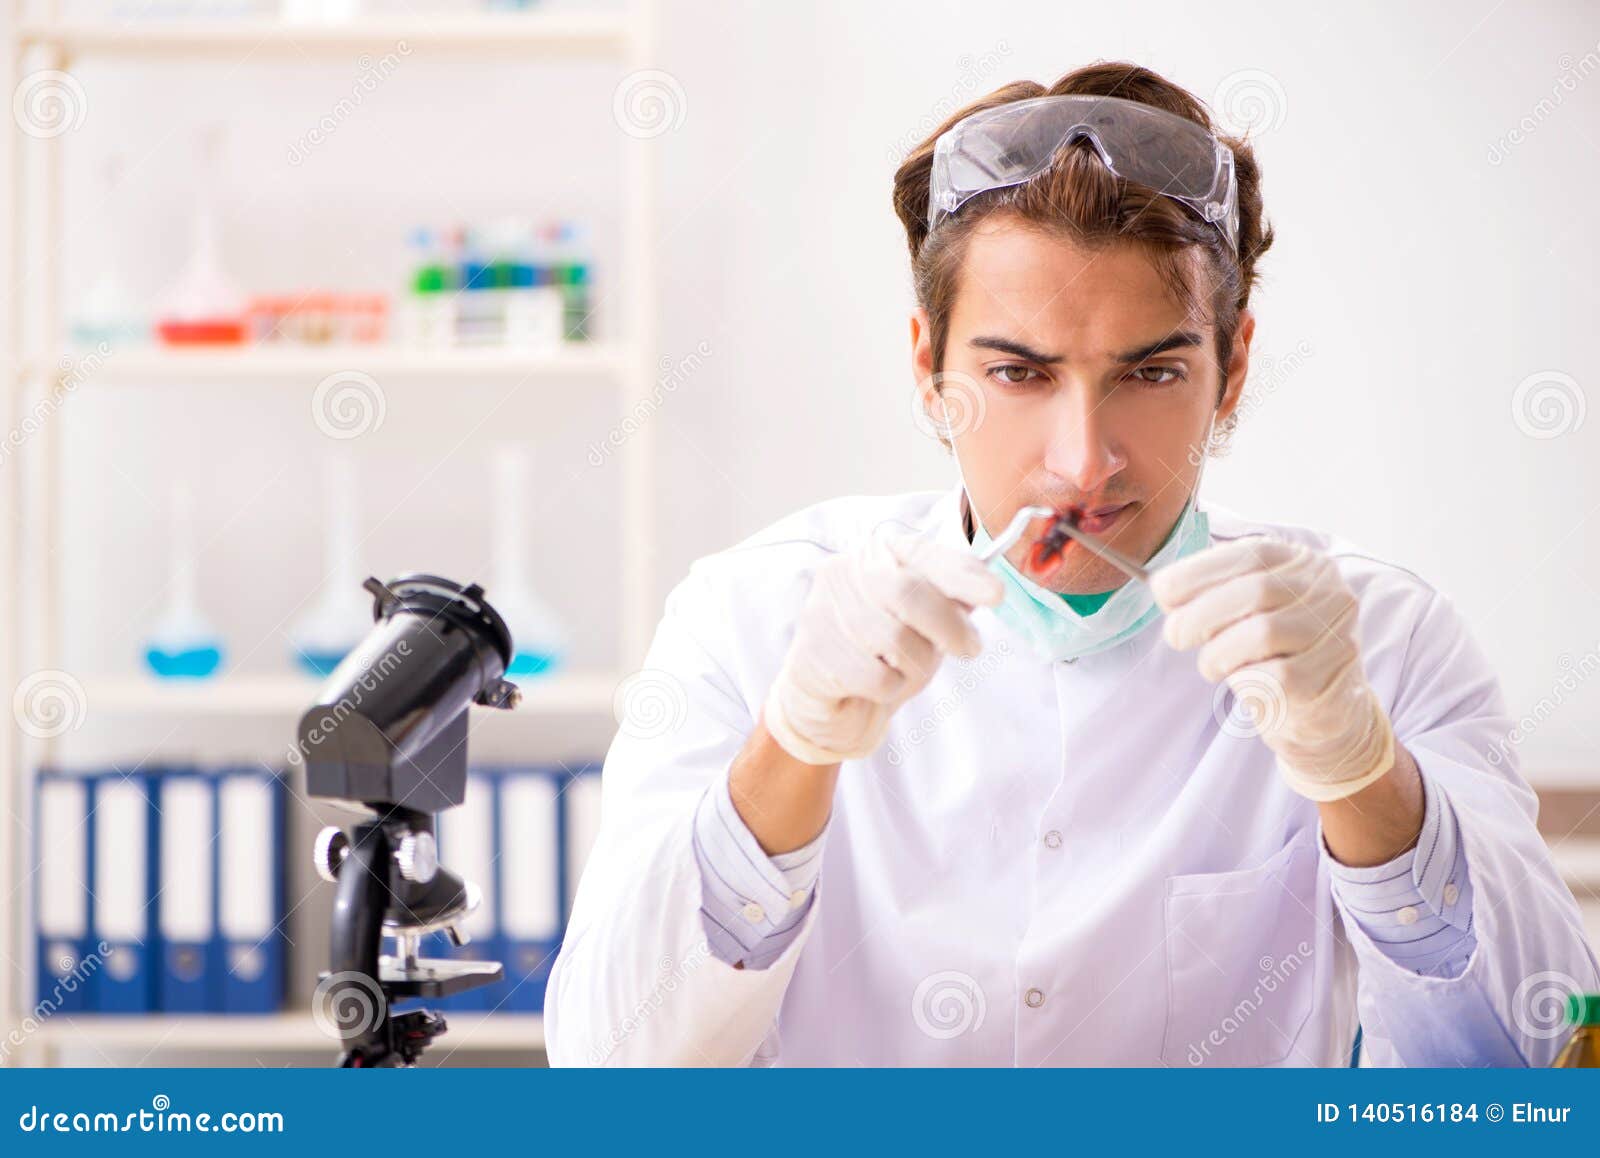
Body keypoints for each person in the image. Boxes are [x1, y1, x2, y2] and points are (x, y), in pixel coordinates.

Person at [545, 62, 1599, 1066]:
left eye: (1151, 373)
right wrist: (791, 746)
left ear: (1232, 369)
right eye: (1019, 374)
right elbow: (609, 1066)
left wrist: (1364, 774)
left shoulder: (1380, 639)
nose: (1083, 461)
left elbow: (1537, 1076)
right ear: (929, 367)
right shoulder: (751, 615)